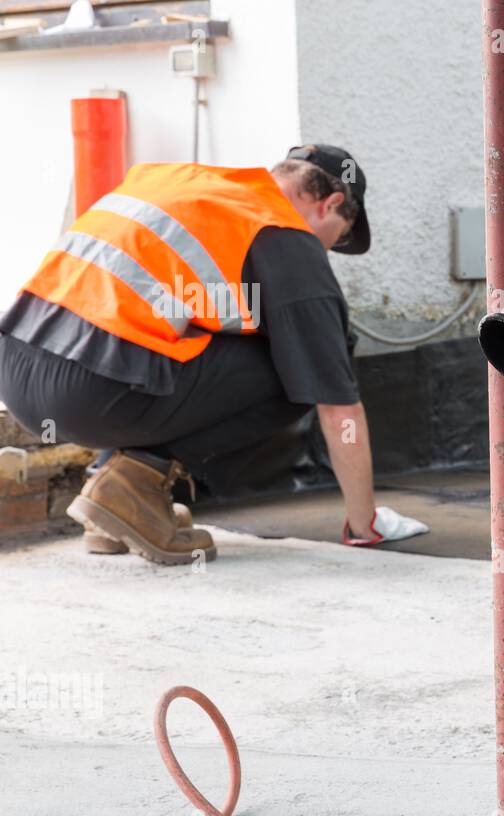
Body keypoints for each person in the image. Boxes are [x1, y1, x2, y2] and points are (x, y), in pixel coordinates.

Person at [0, 144, 428, 563]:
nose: (328, 251)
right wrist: (364, 523)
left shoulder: (188, 187)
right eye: (337, 237)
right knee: (298, 365)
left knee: (179, 340)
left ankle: (109, 504)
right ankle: (131, 486)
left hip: (19, 372)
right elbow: (340, 408)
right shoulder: (281, 231)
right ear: (330, 203)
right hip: (89, 392)